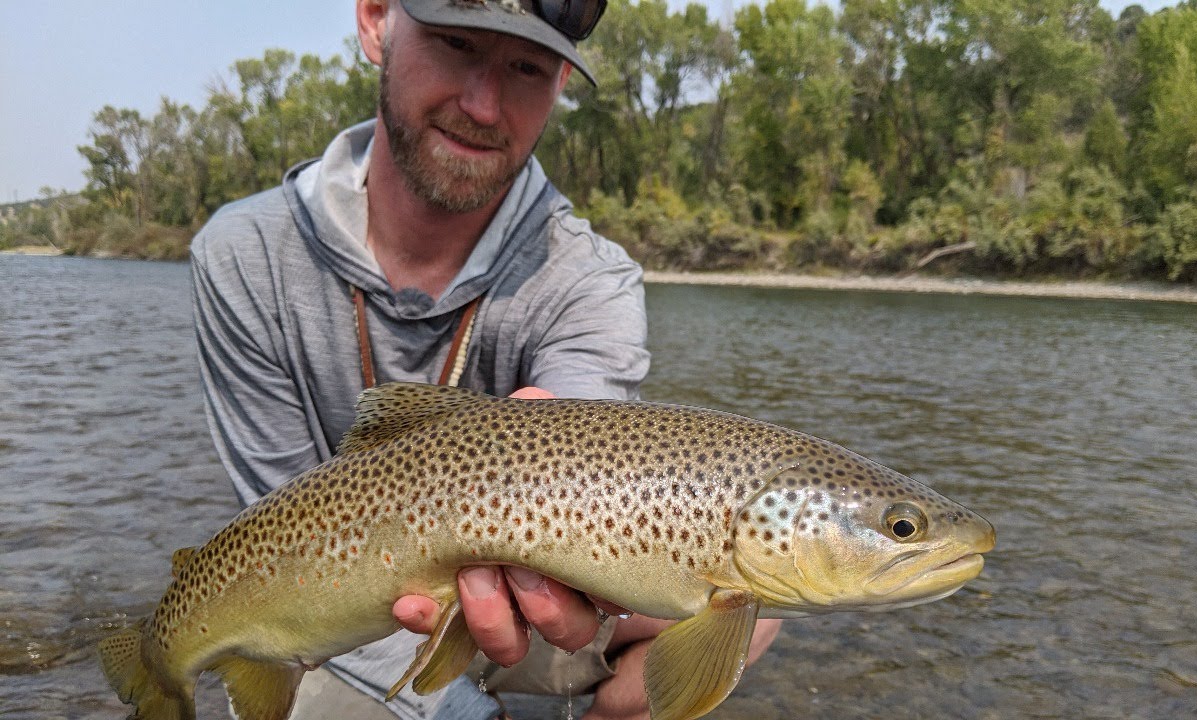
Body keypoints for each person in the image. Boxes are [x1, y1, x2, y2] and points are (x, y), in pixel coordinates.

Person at [190, 0, 780, 718]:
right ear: (376, 21)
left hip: (526, 612)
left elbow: (597, 478)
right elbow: (275, 531)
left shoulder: (592, 279)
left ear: (561, 79)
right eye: (455, 44)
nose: (483, 104)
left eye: (527, 68)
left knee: (755, 609)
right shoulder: (243, 255)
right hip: (335, 603)